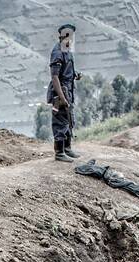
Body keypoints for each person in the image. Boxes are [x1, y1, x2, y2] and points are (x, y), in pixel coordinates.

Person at [47, 23, 79, 161]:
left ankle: (67, 148)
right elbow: (54, 77)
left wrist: (75, 75)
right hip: (59, 92)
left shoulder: (67, 51)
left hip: (68, 90)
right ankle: (59, 153)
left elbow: (66, 71)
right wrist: (62, 98)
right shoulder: (57, 52)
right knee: (60, 121)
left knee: (68, 119)